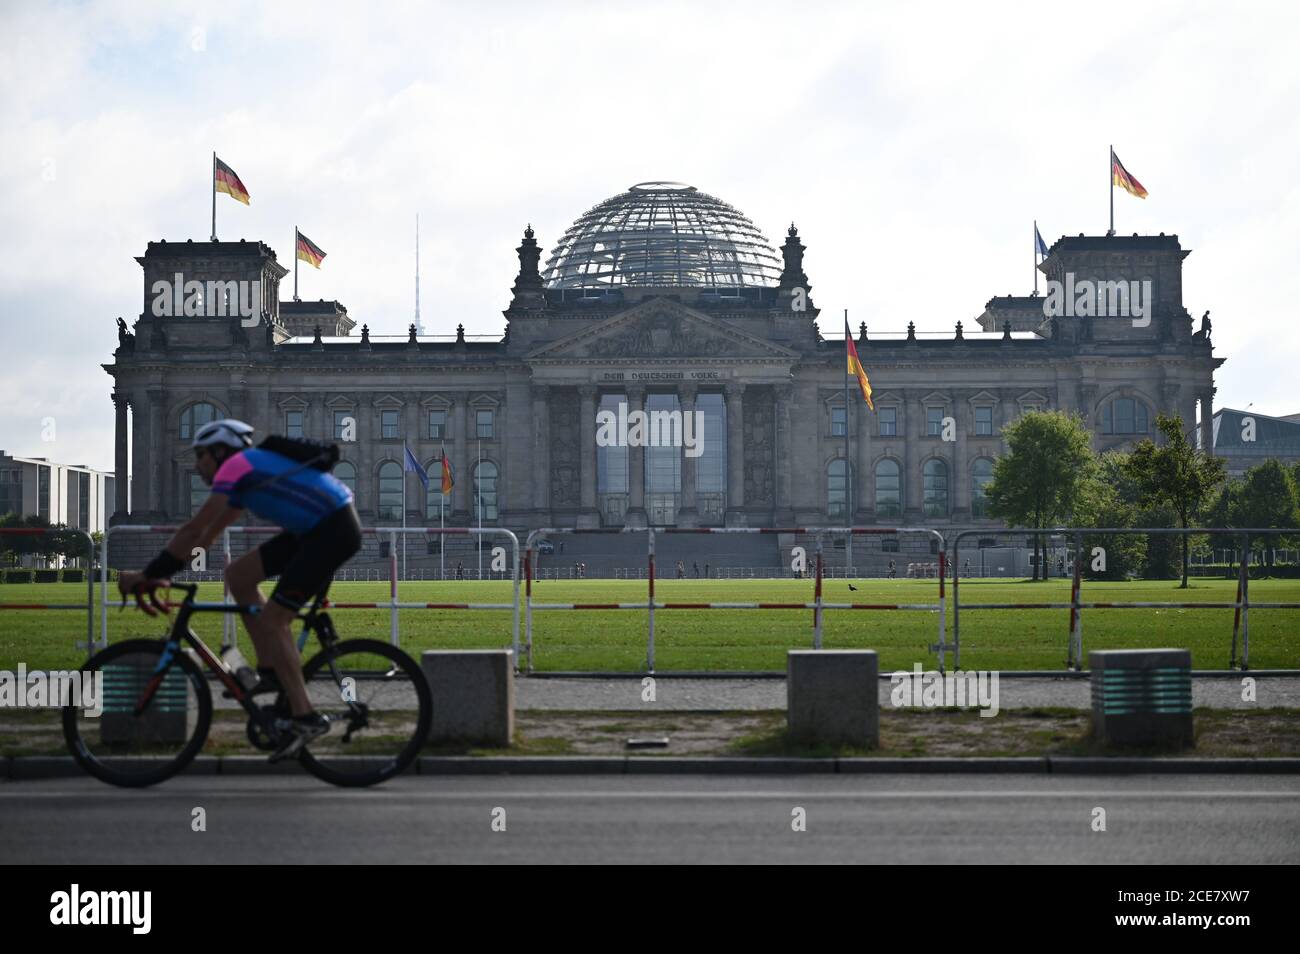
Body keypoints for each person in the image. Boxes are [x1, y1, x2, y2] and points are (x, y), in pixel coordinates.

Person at [117, 419, 361, 763]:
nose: (197, 464)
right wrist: (165, 574)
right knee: (238, 575)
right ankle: (271, 673)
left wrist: (147, 573)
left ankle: (305, 716)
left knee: (275, 620)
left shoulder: (238, 465)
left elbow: (193, 529)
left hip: (333, 530)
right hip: (313, 530)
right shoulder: (245, 477)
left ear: (220, 452)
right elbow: (206, 537)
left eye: (200, 455)